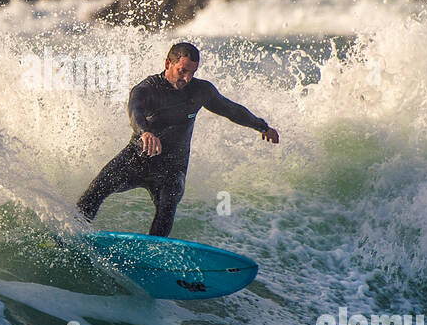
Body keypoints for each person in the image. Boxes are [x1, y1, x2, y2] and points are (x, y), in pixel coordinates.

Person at [76, 42, 279, 237]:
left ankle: (153, 253)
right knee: (95, 191)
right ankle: (73, 234)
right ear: (168, 64)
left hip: (172, 166)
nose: (187, 78)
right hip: (137, 157)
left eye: (192, 72)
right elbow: (134, 112)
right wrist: (145, 132)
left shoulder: (201, 91)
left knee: (168, 203)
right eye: (182, 71)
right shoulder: (146, 89)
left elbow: (231, 109)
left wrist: (262, 126)